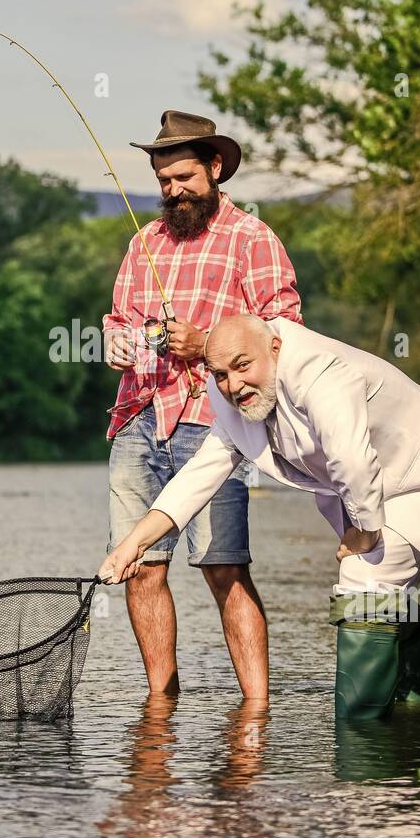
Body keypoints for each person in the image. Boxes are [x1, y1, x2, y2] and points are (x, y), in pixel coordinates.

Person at [99, 313, 420, 720]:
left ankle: (360, 747)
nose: (233, 385)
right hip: (375, 489)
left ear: (275, 347)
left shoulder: (320, 371)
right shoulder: (232, 394)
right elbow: (199, 477)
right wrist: (135, 543)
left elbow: (351, 460)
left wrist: (364, 531)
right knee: (385, 597)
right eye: (220, 374)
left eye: (243, 366)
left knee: (365, 584)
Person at [103, 110, 302, 701]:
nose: (173, 191)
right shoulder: (144, 245)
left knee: (224, 567)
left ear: (215, 168)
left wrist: (207, 343)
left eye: (184, 178)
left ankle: (257, 708)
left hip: (217, 426)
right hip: (138, 418)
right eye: (164, 181)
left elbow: (283, 331)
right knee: (140, 567)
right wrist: (114, 338)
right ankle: (160, 703)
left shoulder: (252, 238)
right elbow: (120, 318)